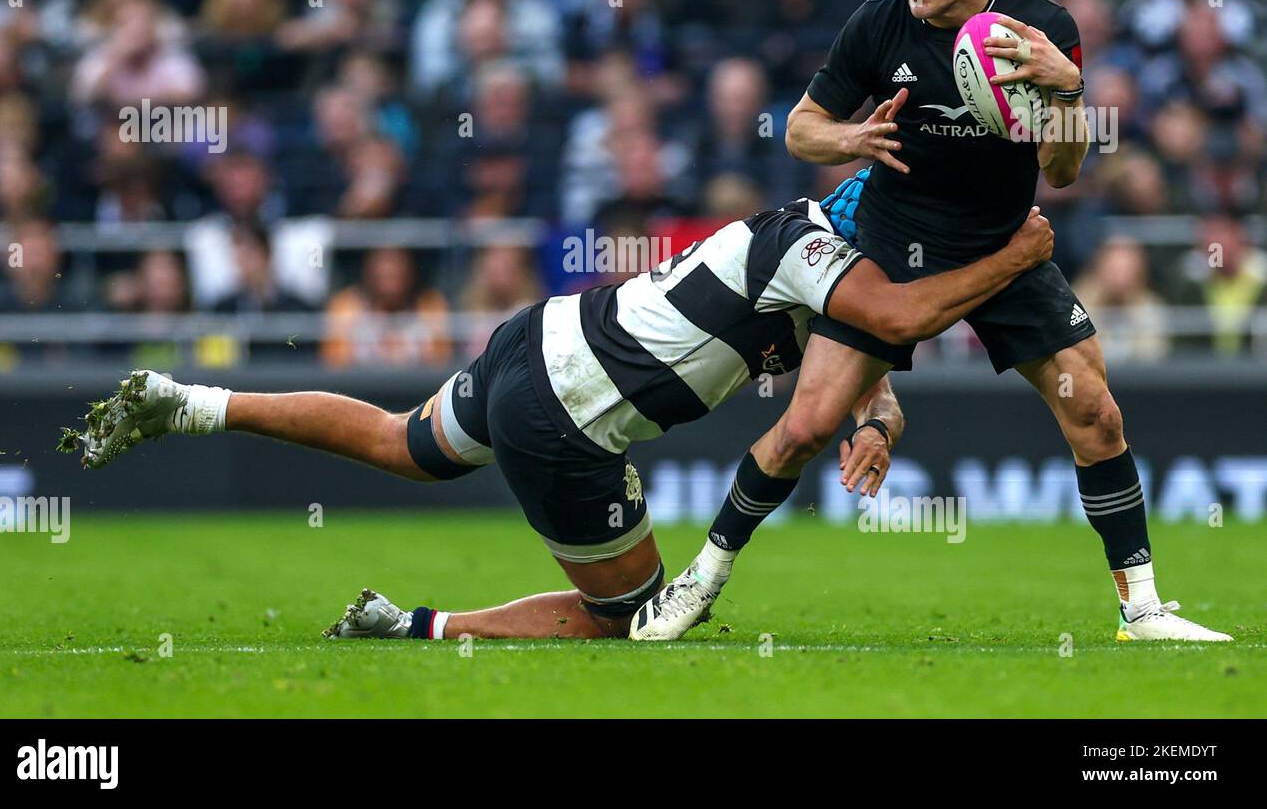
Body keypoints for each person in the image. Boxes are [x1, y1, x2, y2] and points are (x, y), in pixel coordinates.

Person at [643, 0, 1230, 644]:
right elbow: (799, 126)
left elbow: (1062, 170)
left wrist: (1065, 93)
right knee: (807, 425)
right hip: (887, 249)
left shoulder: (1041, 28)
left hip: (1006, 248)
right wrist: (850, 137)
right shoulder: (879, 23)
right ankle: (700, 578)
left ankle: (1143, 609)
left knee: (1094, 409)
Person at [60, 196, 1054, 641]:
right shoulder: (818, 257)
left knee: (403, 443)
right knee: (625, 617)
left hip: (536, 338)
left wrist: (876, 417)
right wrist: (1016, 256)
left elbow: (860, 354)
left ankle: (190, 401)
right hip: (567, 410)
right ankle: (405, 626)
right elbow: (886, 325)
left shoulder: (815, 253)